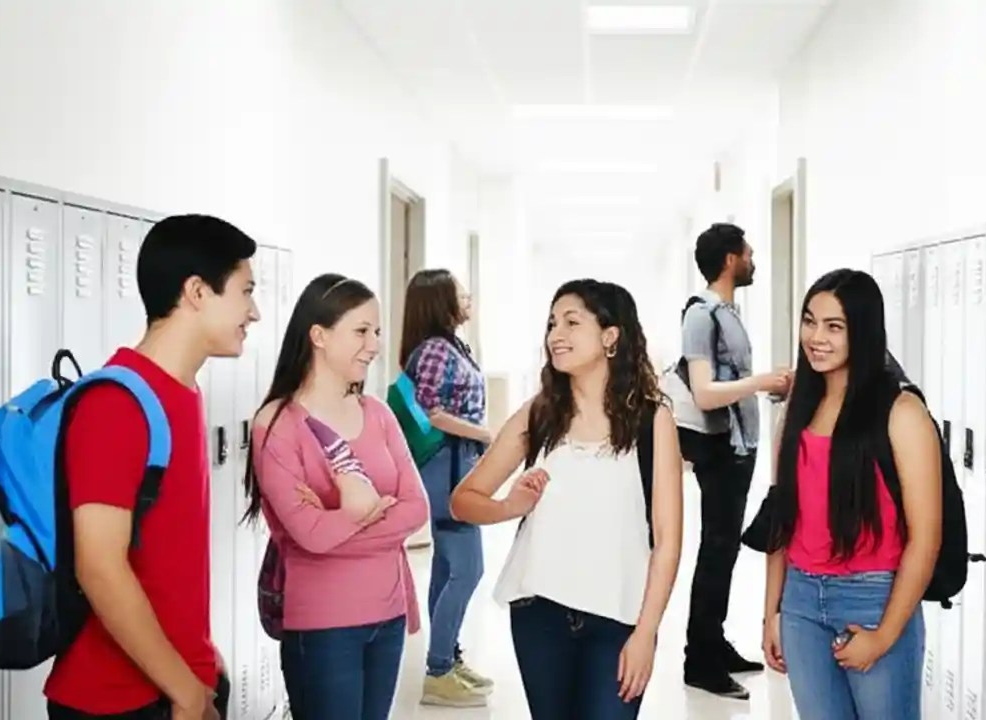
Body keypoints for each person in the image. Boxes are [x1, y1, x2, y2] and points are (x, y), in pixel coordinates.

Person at [44, 214, 257, 719]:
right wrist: (185, 691)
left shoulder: (184, 391)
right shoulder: (116, 403)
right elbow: (100, 567)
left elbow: (168, 555)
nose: (255, 312)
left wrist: (203, 659)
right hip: (115, 700)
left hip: (177, 682)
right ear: (197, 292)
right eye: (246, 292)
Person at [450, 279, 684, 720]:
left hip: (618, 618)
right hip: (539, 614)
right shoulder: (539, 414)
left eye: (571, 322)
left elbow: (668, 540)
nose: (556, 334)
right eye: (552, 324)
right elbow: (464, 500)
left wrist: (646, 633)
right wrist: (509, 507)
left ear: (610, 336)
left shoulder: (652, 420)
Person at [243, 274, 430, 720]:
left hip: (388, 616)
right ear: (319, 335)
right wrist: (369, 513)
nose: (375, 344)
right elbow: (309, 536)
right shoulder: (277, 424)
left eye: (377, 331)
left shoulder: (378, 413)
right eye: (361, 331)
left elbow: (417, 509)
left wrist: (343, 520)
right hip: (323, 627)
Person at [761, 269, 942, 719]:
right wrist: (772, 612)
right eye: (809, 321)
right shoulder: (797, 410)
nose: (816, 338)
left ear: (862, 332)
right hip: (802, 602)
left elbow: (926, 538)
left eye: (834, 326)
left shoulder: (902, 412)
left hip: (874, 600)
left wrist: (884, 636)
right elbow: (781, 520)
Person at [661, 222, 792, 698]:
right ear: (730, 259)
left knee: (724, 551)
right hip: (719, 448)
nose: (753, 258)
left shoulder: (727, 312)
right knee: (716, 552)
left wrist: (768, 389)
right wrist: (761, 382)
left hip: (737, 446)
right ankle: (700, 661)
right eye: (748, 252)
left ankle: (713, 644)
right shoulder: (701, 315)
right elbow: (703, 392)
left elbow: (727, 381)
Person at [399, 268, 493, 707]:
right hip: (447, 469)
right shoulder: (436, 349)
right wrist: (485, 434)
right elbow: (432, 411)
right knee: (469, 568)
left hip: (455, 465)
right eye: (459, 292)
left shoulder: (450, 344)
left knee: (446, 566)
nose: (467, 297)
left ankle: (446, 658)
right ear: (441, 301)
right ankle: (439, 670)